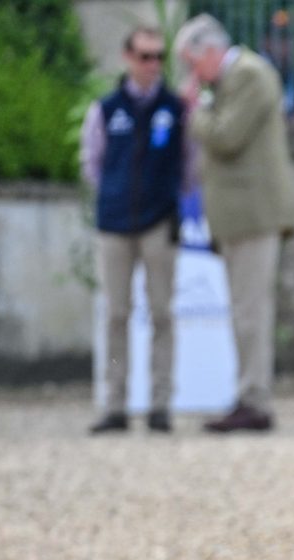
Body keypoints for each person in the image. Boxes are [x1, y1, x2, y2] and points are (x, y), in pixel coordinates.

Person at [177, 14, 294, 433]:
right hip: (241, 216)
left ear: (209, 51)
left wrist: (194, 109)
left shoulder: (249, 74)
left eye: (192, 63)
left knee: (250, 312)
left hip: (254, 214)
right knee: (245, 311)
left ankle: (255, 401)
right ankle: (250, 395)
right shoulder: (237, 78)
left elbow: (228, 137)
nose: (192, 75)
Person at [82, 26, 190, 435]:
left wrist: (166, 200)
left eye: (159, 57)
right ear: (128, 57)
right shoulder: (107, 109)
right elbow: (93, 163)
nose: (153, 65)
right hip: (114, 224)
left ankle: (160, 405)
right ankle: (115, 406)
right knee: (116, 315)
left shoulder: (176, 108)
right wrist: (114, 195)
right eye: (145, 56)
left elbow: (189, 166)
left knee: (162, 314)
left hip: (158, 224)